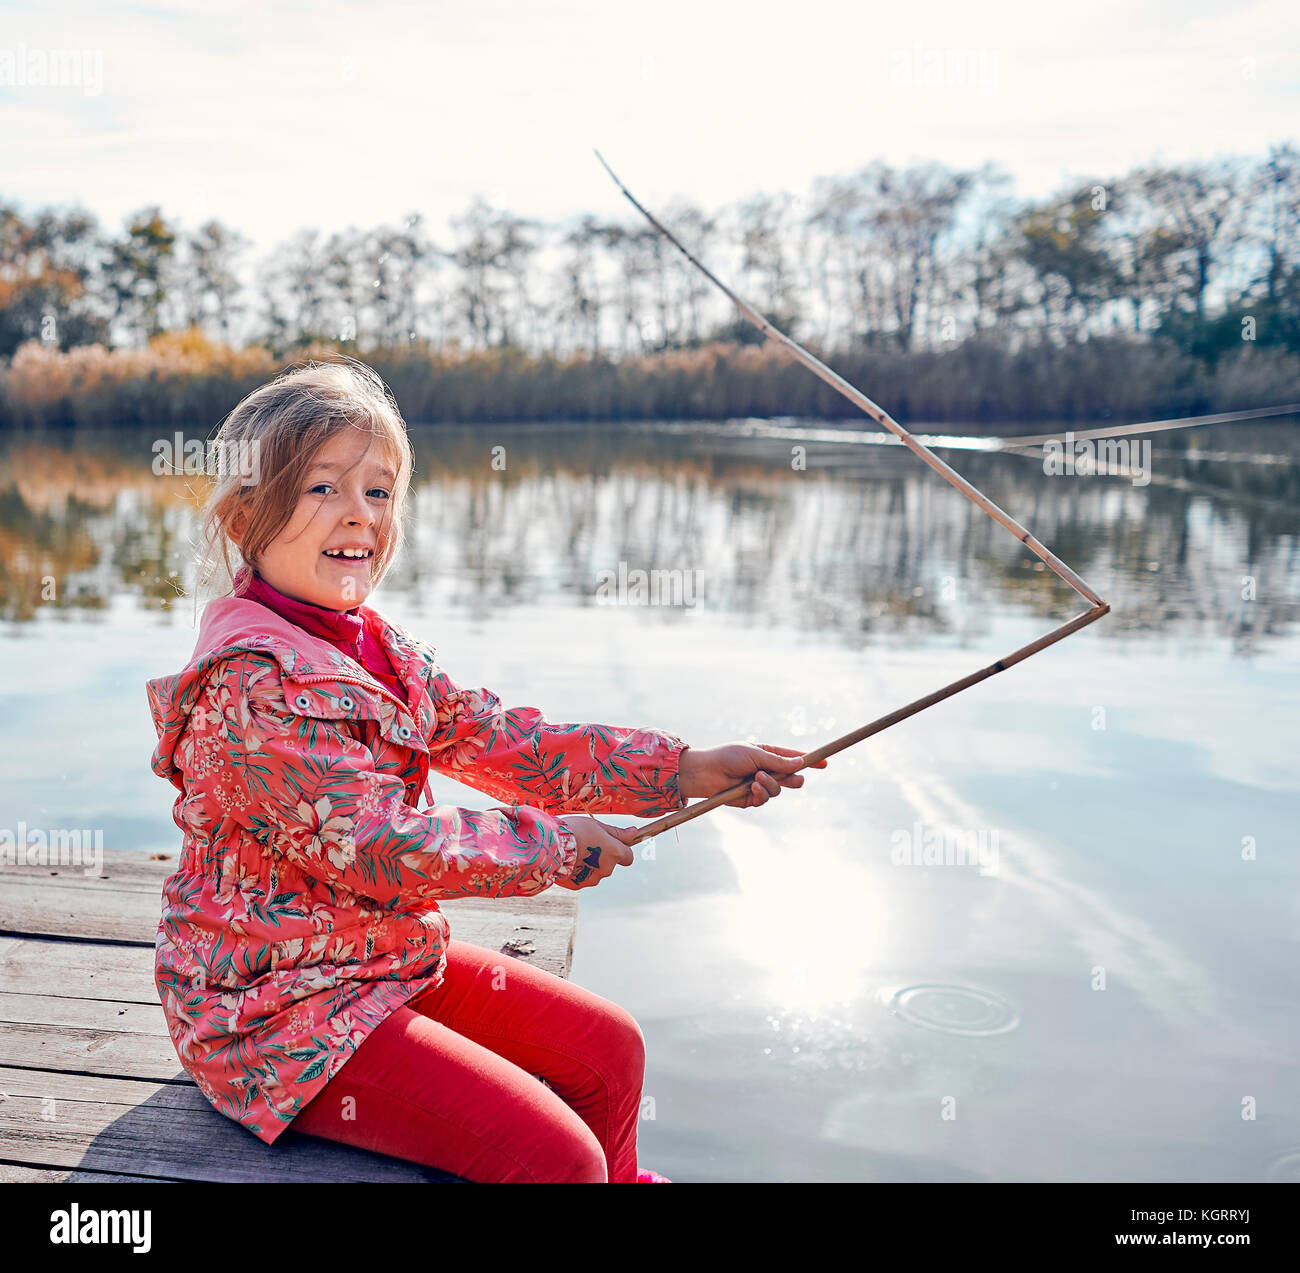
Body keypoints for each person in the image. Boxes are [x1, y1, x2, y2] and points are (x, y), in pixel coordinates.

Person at [145, 357, 822, 1183]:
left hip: (381, 960)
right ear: (247, 512)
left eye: (379, 491)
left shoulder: (374, 647)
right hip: (270, 1010)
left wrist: (681, 768)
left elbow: (504, 741)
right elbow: (381, 848)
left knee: (610, 1053)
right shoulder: (252, 684)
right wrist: (551, 848)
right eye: (323, 488)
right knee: (558, 1157)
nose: (358, 514)